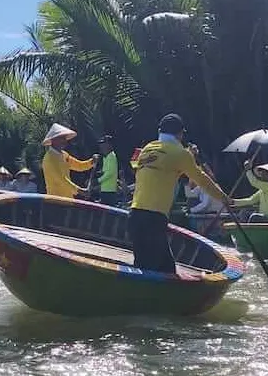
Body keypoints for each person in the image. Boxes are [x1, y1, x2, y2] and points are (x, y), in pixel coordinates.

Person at [129, 114, 229, 275]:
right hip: (154, 218)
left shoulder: (147, 149)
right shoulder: (181, 154)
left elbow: (158, 165)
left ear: (159, 131)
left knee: (162, 268)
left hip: (134, 215)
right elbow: (201, 179)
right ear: (180, 134)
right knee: (154, 271)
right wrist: (224, 198)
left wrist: (187, 155)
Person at [41, 123, 96, 199]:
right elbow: (60, 179)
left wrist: (91, 162)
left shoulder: (64, 155)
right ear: (53, 140)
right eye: (62, 138)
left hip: (68, 198)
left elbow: (79, 166)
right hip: (55, 199)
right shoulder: (49, 158)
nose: (65, 140)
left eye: (65, 138)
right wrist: (79, 190)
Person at [96, 135, 120, 206]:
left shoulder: (111, 156)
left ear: (109, 145)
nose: (101, 146)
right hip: (104, 189)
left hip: (110, 191)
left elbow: (110, 173)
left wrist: (98, 180)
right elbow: (105, 171)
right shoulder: (105, 157)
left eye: (104, 144)